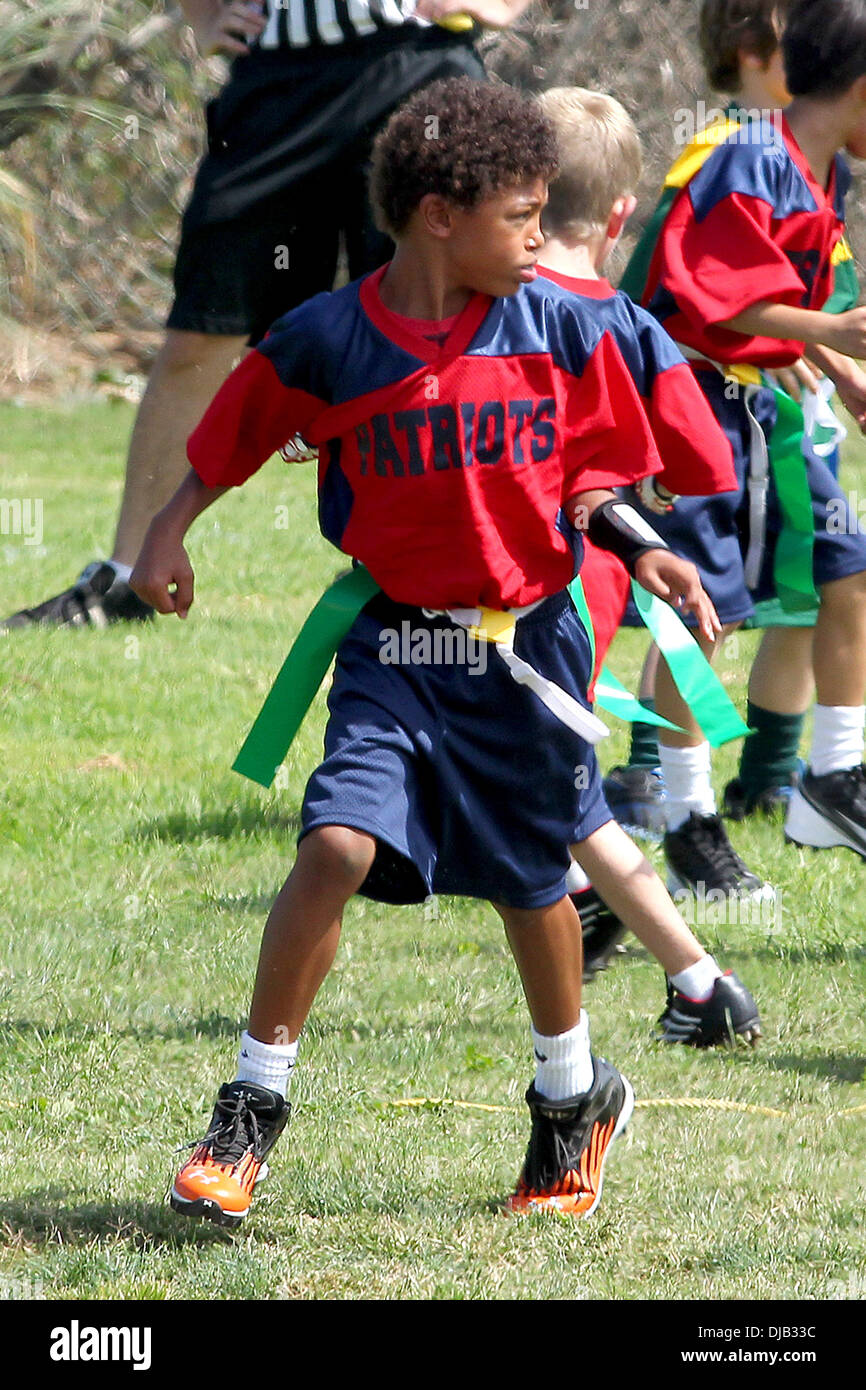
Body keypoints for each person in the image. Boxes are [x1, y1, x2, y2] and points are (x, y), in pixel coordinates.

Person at [130, 78, 747, 1225]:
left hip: (526, 647)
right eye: (521, 216)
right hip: (395, 647)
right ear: (436, 216)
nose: (539, 237)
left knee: (529, 882)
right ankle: (249, 1108)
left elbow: (595, 469)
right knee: (334, 845)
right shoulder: (327, 336)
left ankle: (571, 1096)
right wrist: (168, 528)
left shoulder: (561, 322)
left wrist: (646, 548)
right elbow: (237, 432)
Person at [2, 0, 530, 630]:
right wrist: (198, 14)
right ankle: (124, 583)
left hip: (420, 70)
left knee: (434, 327)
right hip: (277, 79)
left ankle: (453, 583)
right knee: (202, 329)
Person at [533, 85, 765, 1025]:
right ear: (622, 214)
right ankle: (663, 955)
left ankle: (697, 979)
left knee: (559, 787)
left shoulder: (471, 310)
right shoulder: (633, 326)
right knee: (549, 779)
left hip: (517, 590)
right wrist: (652, 487)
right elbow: (706, 458)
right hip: (590, 574)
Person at [613, 0, 866, 859]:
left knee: (847, 569)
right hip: (692, 407)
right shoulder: (747, 153)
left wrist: (841, 372)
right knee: (700, 611)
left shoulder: (823, 167)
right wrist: (830, 337)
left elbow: (794, 306)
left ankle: (831, 779)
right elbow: (701, 298)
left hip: (763, 410)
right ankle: (682, 818)